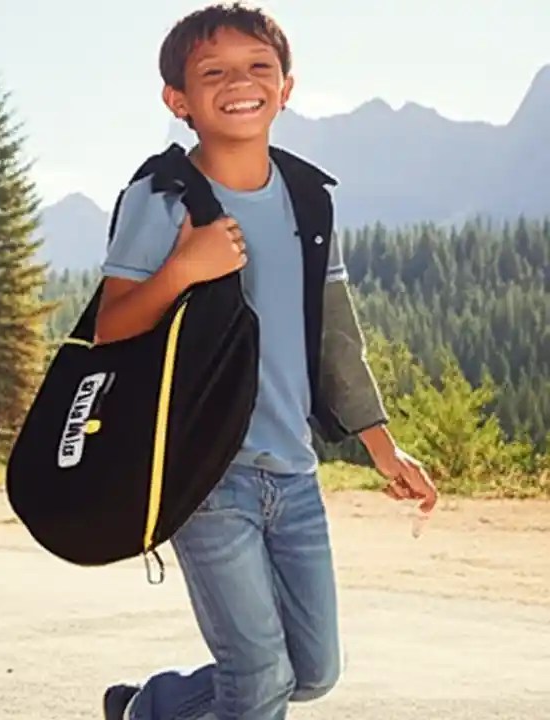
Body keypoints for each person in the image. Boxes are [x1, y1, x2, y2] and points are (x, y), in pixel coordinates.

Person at [94, 4, 438, 719]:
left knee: (311, 672)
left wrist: (383, 445)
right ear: (178, 100)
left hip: (294, 473)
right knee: (257, 681)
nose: (239, 83)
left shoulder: (309, 199)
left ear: (286, 87)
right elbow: (112, 329)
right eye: (212, 72)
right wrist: (184, 268)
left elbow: (333, 335)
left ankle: (152, 708)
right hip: (206, 476)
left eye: (258, 67)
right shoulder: (158, 198)